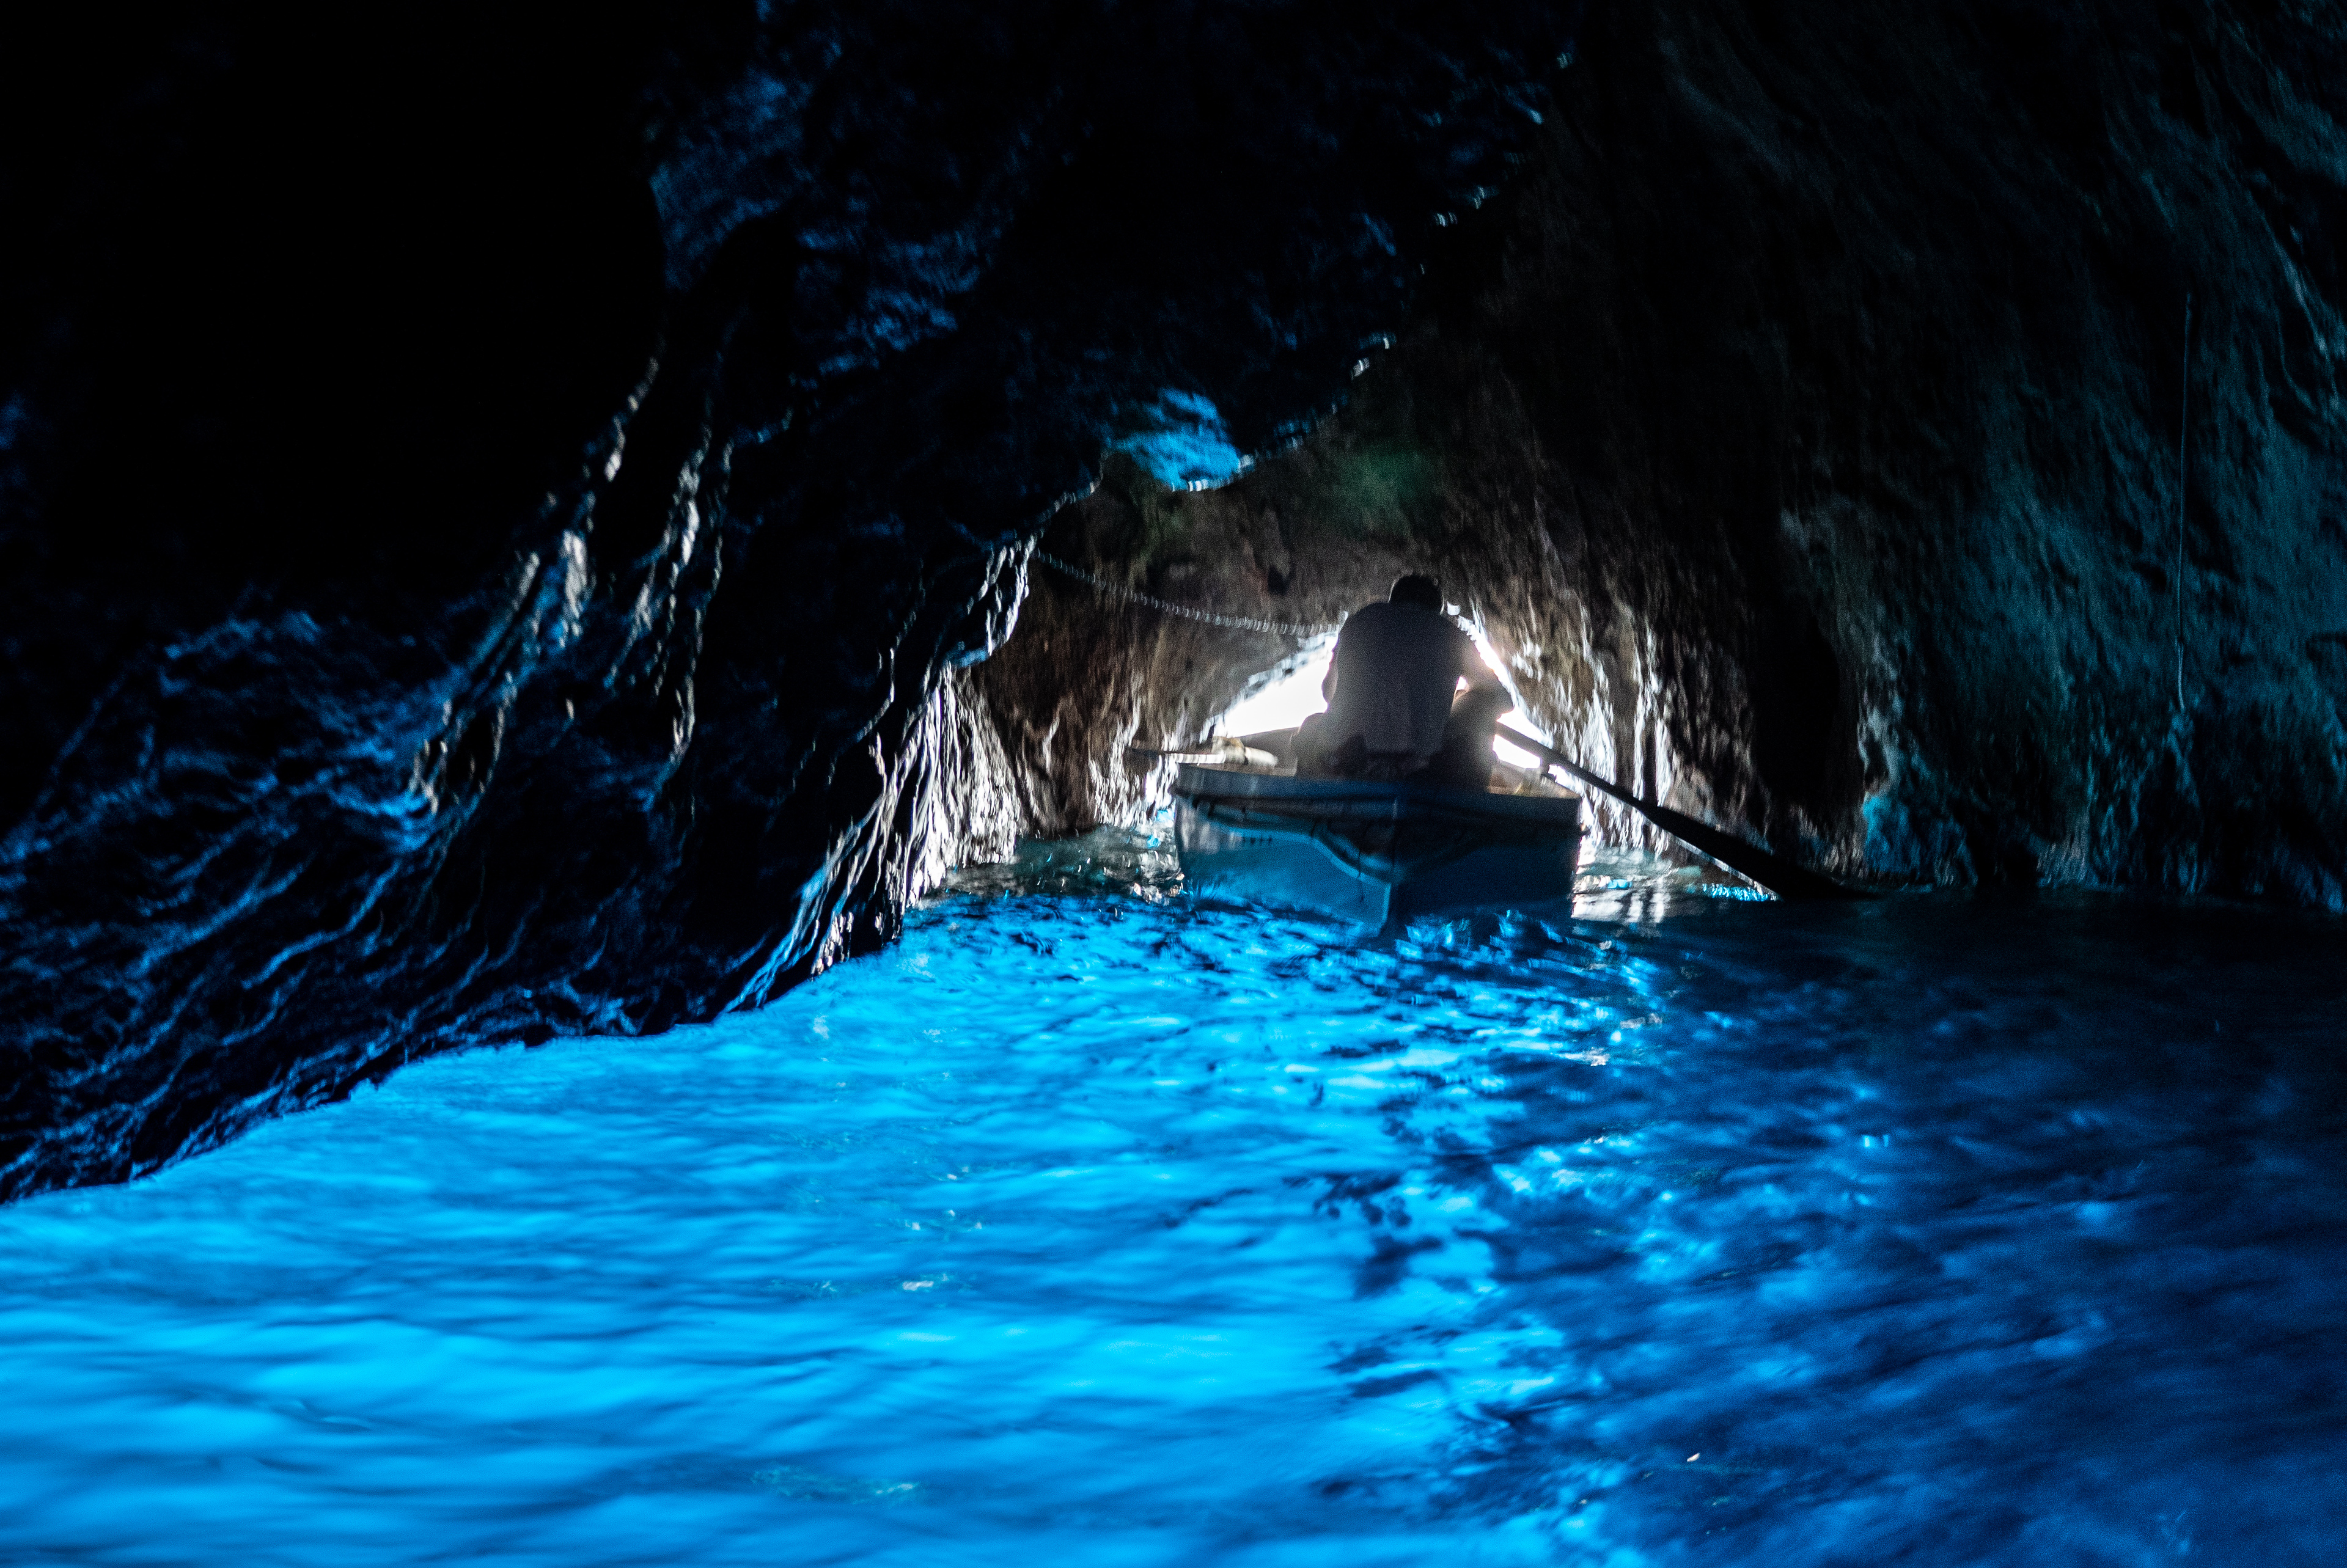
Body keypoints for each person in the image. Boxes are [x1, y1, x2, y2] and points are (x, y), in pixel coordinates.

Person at [1296, 573, 1510, 786]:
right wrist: (1456, 700)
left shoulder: (1358, 622)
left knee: (1311, 725)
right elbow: (1502, 699)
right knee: (1484, 709)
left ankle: (1307, 801)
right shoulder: (1452, 635)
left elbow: (1328, 693)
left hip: (1342, 763)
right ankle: (1465, 805)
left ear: (1393, 600)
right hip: (1415, 772)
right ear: (1436, 609)